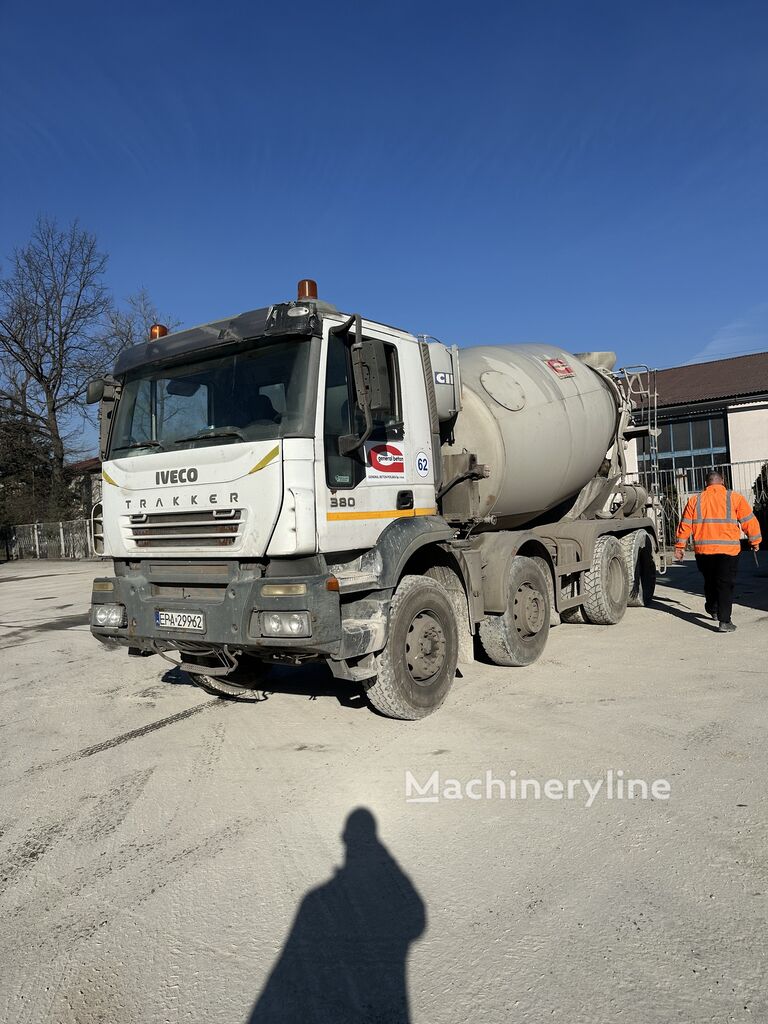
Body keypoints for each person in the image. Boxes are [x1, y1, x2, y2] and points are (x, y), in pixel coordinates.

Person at [674, 470, 762, 632]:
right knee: (725, 584)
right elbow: (749, 521)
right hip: (728, 551)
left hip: (703, 551)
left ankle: (713, 607)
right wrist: (755, 541)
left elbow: (685, 525)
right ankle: (725, 621)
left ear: (706, 483)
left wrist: (680, 546)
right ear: (722, 482)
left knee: (710, 581)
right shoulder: (734, 498)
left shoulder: (695, 500)